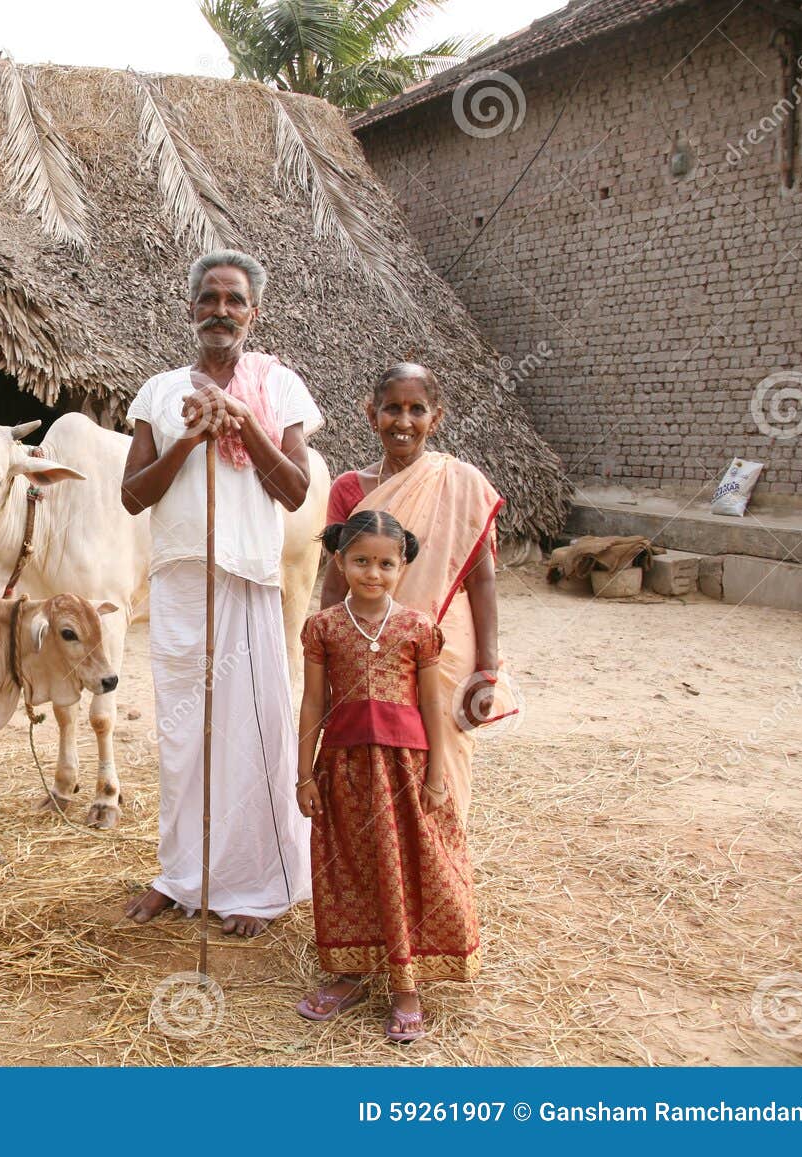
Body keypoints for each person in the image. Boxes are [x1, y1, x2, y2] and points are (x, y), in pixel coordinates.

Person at [119, 249, 320, 938]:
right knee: (184, 738)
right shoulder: (158, 391)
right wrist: (189, 438)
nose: (221, 311)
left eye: (234, 300)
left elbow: (294, 489)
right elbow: (132, 495)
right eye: (209, 298)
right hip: (180, 581)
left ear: (253, 313)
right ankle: (180, 877)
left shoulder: (278, 385)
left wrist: (241, 422)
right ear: (191, 308)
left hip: (248, 580)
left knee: (252, 734)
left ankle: (258, 885)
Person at [295, 510, 479, 1043]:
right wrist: (304, 775)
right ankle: (351, 974)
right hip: (345, 768)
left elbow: (431, 704)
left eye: (385, 564)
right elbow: (313, 703)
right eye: (360, 561)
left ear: (402, 566)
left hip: (406, 768)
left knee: (407, 866)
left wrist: (438, 776)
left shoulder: (418, 628)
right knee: (347, 866)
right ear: (339, 560)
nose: (372, 574)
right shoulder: (323, 627)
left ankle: (406, 987)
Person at [320, 363, 513, 825]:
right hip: (370, 645)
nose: (403, 422)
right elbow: (333, 582)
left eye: (416, 410)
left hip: (445, 648)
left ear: (436, 417)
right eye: (392, 409)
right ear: (372, 414)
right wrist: (328, 660)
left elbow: (481, 579)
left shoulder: (461, 484)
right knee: (380, 761)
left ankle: (443, 874)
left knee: (444, 761)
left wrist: (486, 667)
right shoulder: (350, 489)